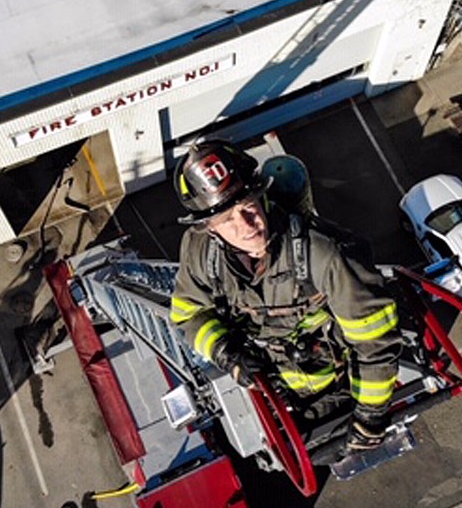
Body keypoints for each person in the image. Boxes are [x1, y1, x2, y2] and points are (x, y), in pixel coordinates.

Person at [169, 140, 402, 451]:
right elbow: (187, 313)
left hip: (338, 383)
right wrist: (227, 353)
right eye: (227, 220)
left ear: (263, 198)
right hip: (274, 387)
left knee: (325, 453)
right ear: (209, 228)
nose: (246, 226)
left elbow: (375, 340)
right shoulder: (200, 253)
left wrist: (370, 416)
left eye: (248, 206)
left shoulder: (324, 254)